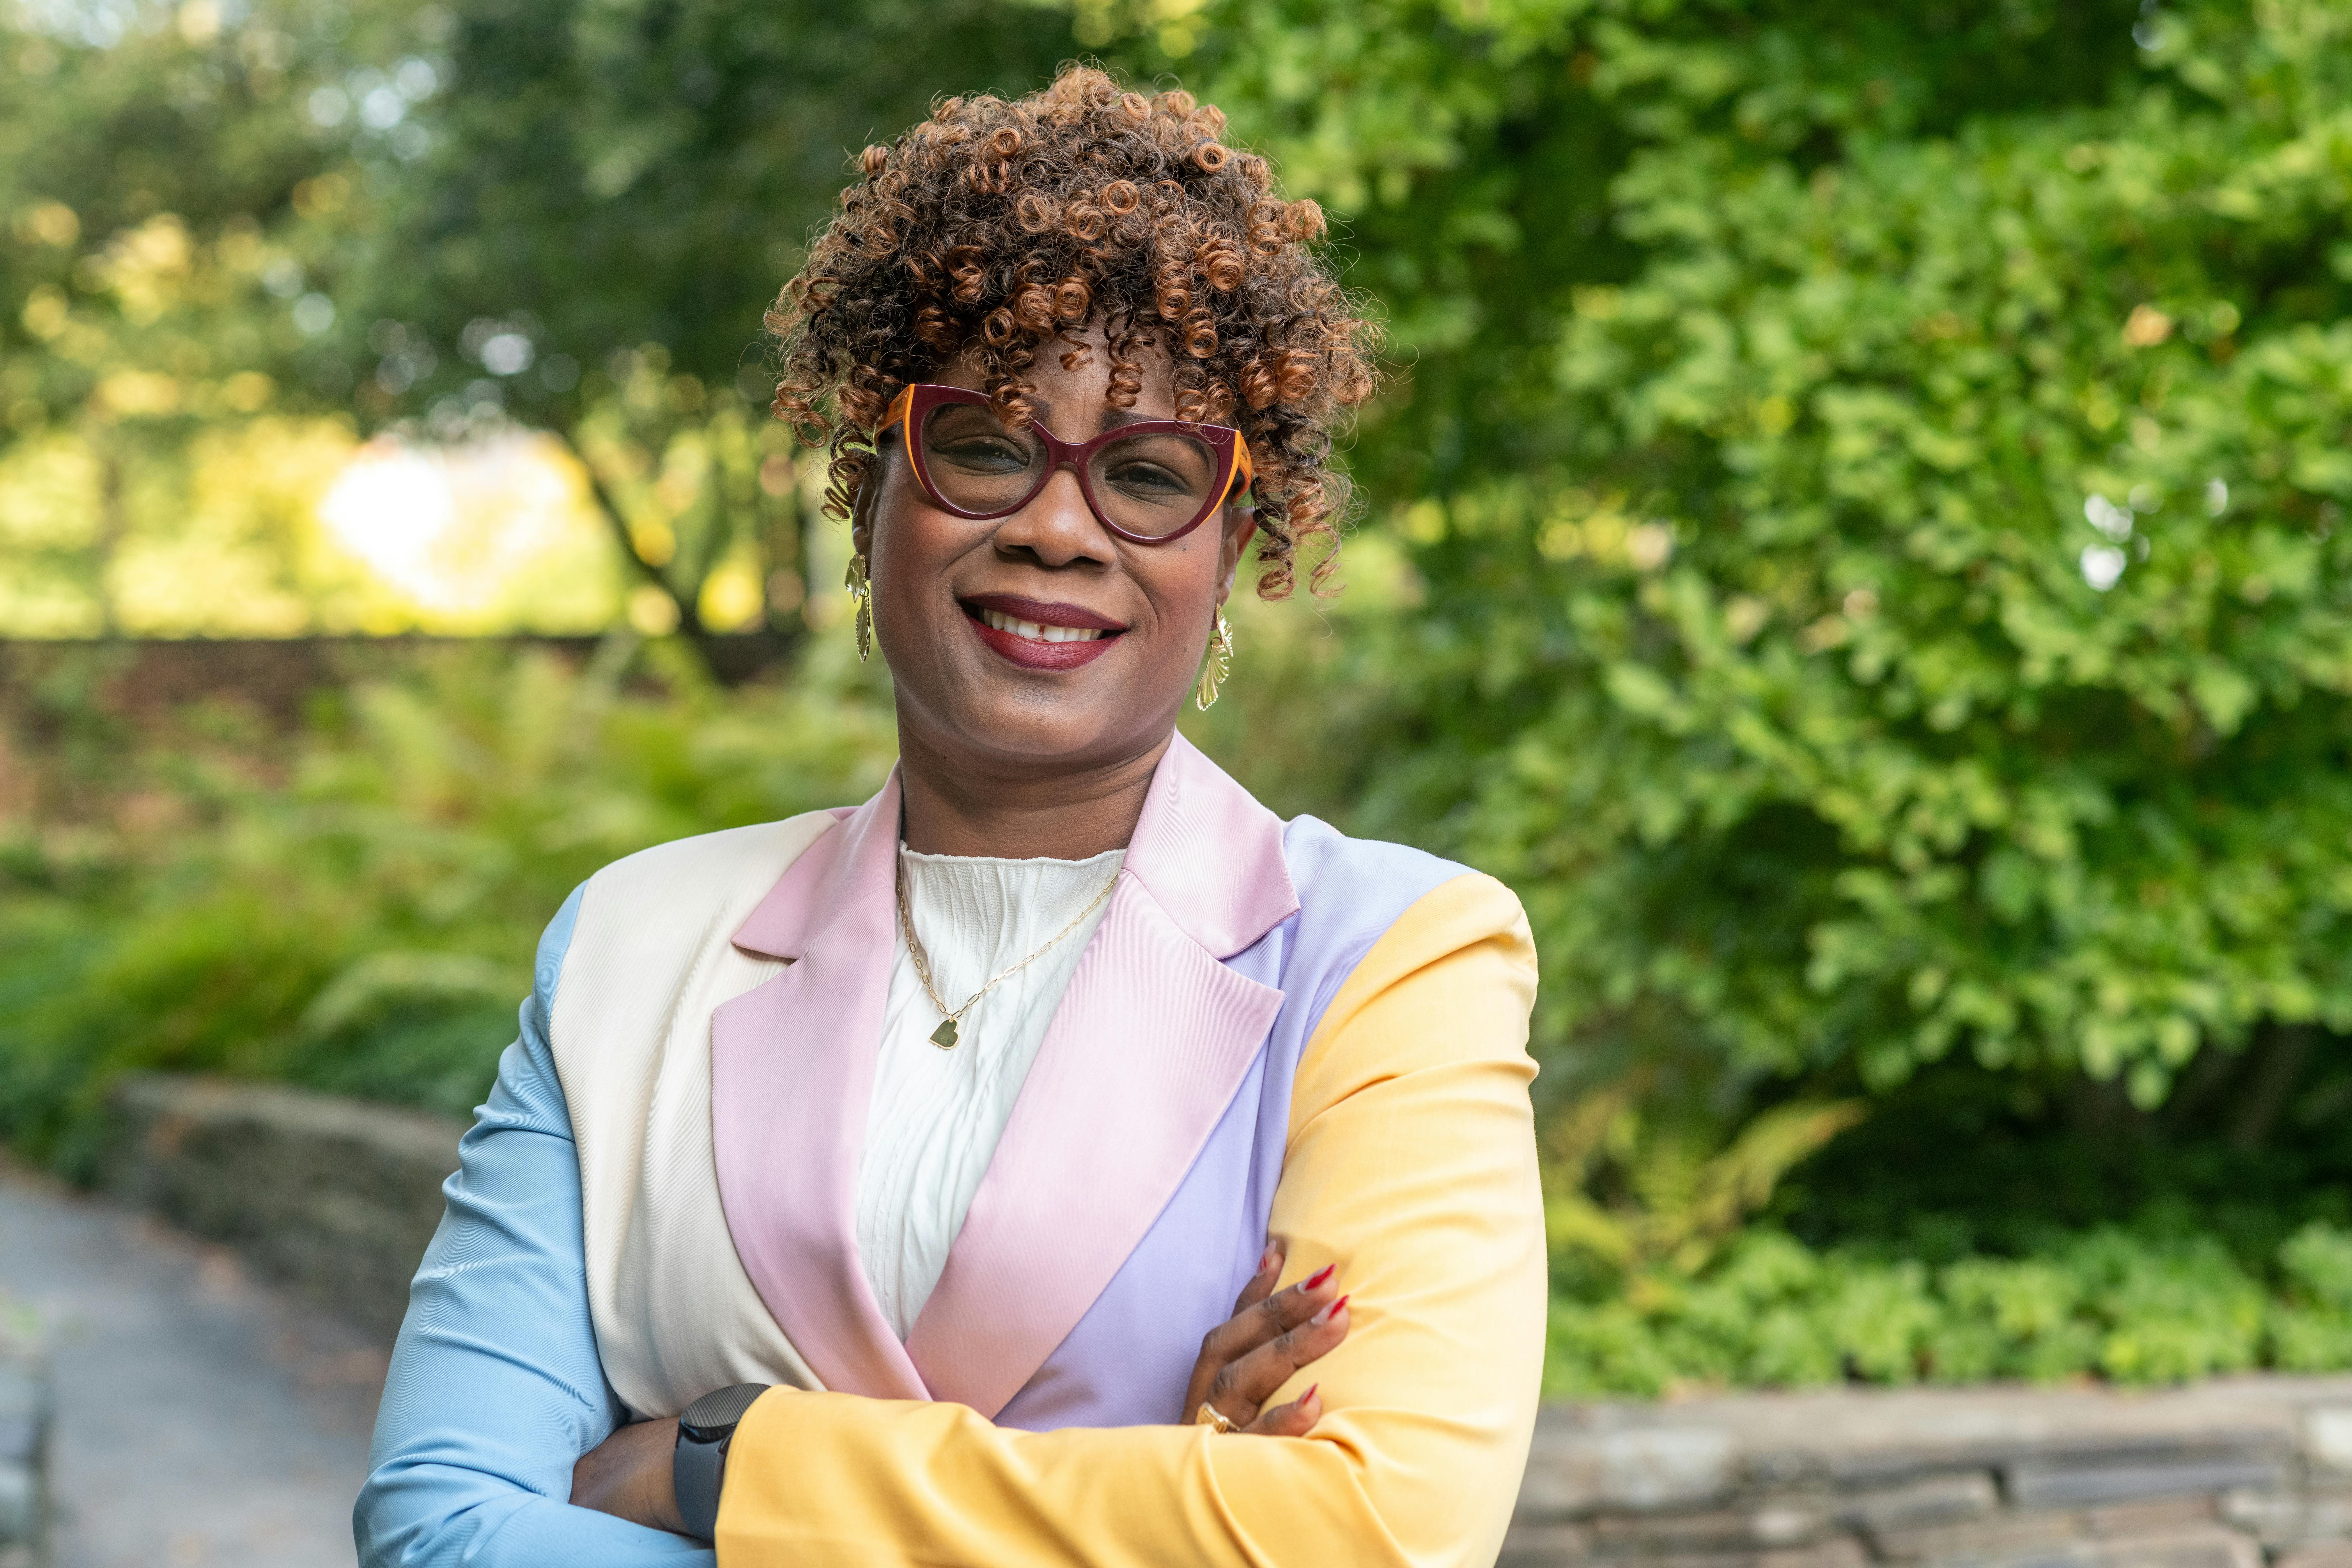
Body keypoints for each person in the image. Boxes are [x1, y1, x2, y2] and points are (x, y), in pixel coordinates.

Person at [355, 65, 1544, 1568]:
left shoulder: (1392, 961)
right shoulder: (632, 945)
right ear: (874, 494)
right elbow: (444, 1529)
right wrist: (1153, 1496)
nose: (1057, 525)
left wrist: (724, 1467)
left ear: (1233, 550)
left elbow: (1378, 1530)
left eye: (1149, 475)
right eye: (987, 444)